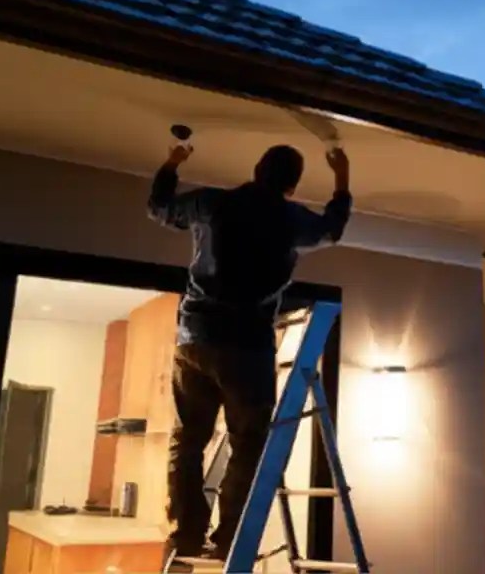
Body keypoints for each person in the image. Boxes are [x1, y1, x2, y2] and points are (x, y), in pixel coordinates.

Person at [147, 140, 352, 562]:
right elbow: (332, 228)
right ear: (292, 187)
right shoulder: (290, 219)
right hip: (247, 344)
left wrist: (173, 160)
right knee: (248, 443)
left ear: (257, 168)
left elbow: (159, 206)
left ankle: (186, 534)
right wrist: (341, 175)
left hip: (196, 337)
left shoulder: (210, 204)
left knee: (188, 440)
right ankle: (228, 540)